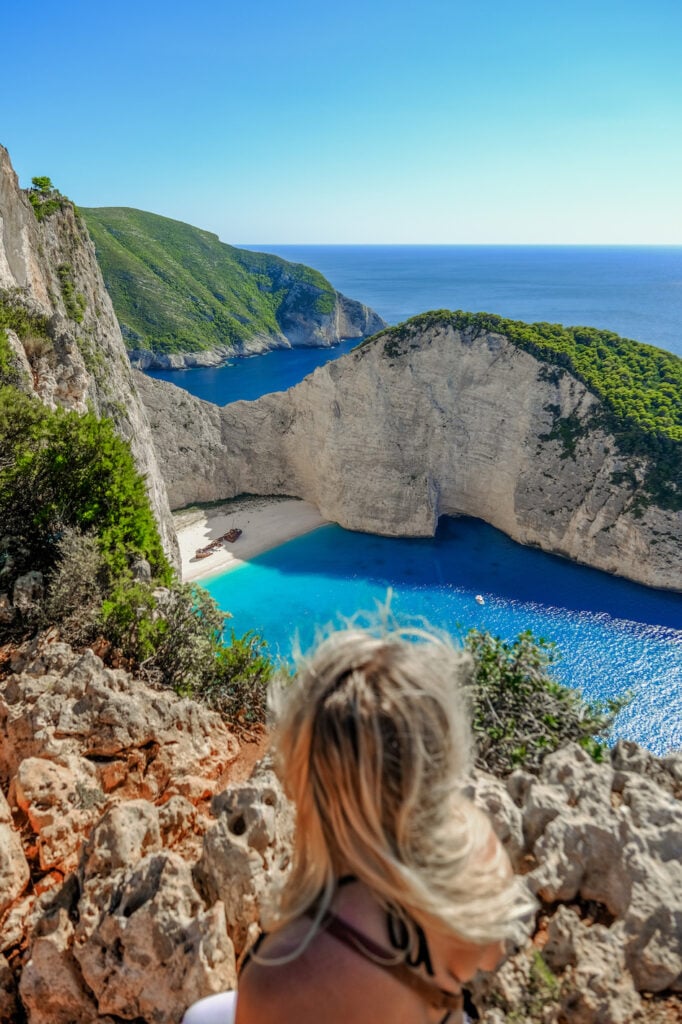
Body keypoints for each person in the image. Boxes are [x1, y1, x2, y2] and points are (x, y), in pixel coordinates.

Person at [185, 627, 534, 1024]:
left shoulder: (278, 969)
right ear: (438, 761)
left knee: (200, 1016)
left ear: (304, 774)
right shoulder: (475, 856)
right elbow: (489, 952)